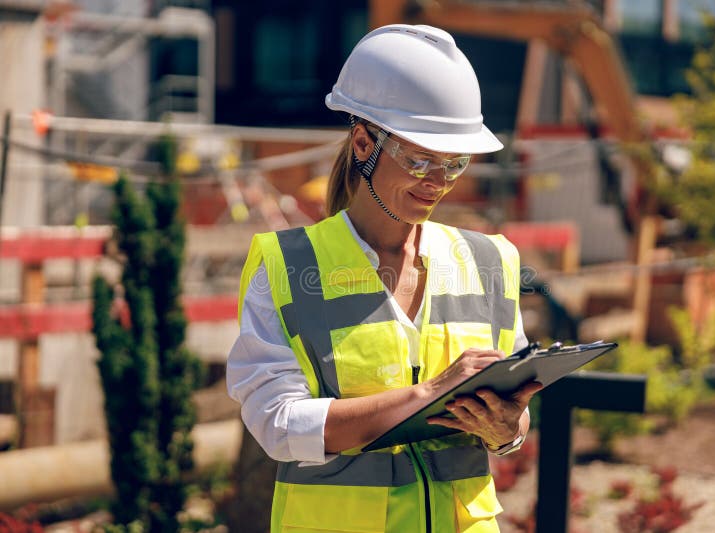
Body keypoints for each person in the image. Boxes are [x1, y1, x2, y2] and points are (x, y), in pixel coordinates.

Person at [227, 23, 541, 533]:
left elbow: (512, 416)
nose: (437, 182)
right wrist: (429, 394)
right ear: (361, 142)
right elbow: (280, 427)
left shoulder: (489, 263)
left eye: (454, 163)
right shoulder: (288, 267)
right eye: (420, 160)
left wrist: (508, 429)